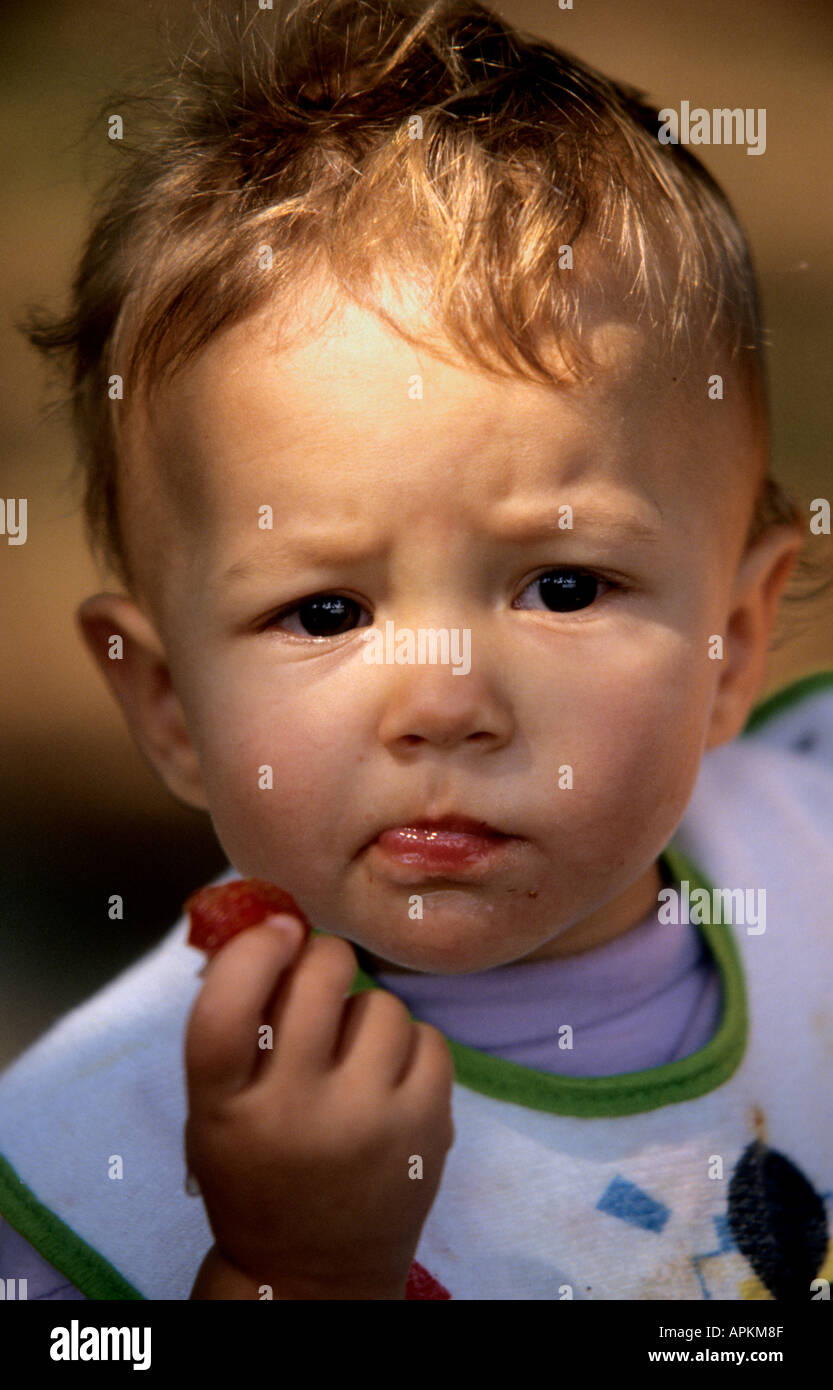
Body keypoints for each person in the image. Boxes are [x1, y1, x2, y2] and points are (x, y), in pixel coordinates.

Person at [1, 0, 831, 1301]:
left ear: (728, 644)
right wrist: (288, 1266)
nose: (445, 704)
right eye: (324, 611)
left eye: (562, 585)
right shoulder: (106, 1148)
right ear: (166, 702)